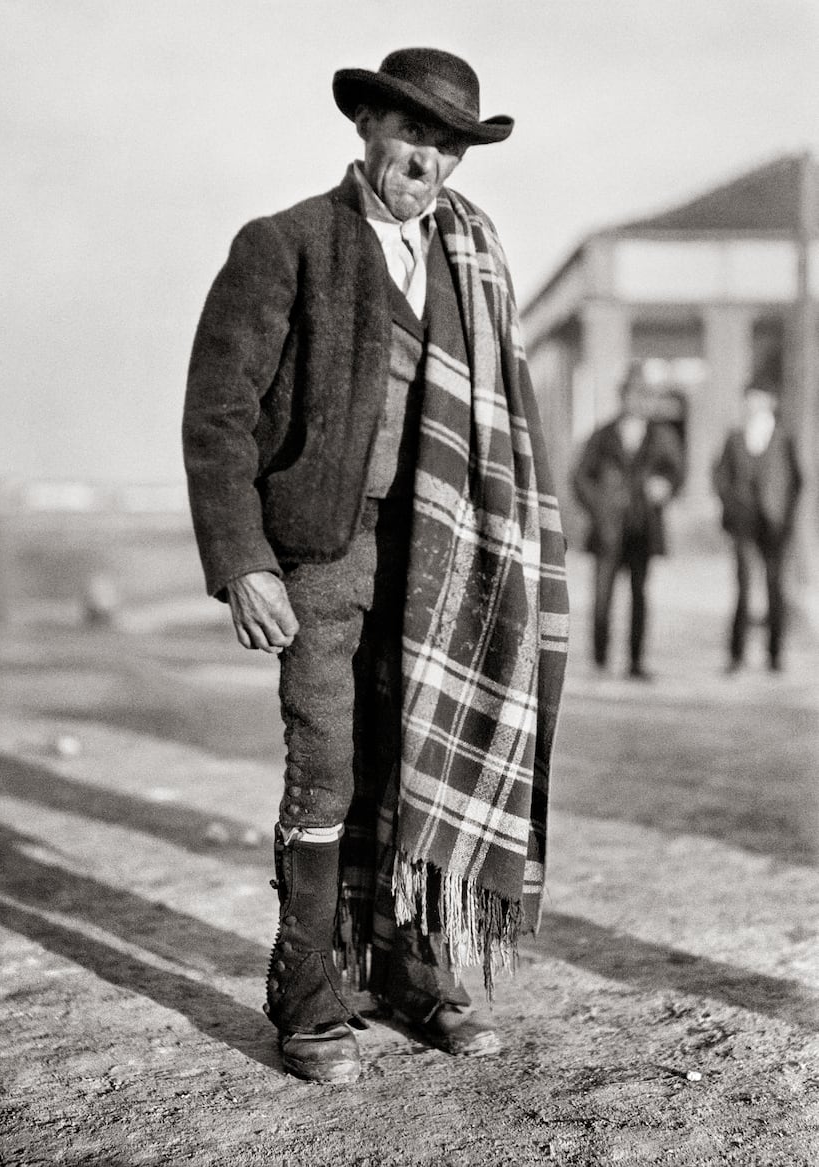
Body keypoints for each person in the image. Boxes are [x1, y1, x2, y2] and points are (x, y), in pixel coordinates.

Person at [182, 48, 569, 1084]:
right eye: (413, 134)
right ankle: (310, 990)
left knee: (427, 763)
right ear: (366, 130)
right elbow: (218, 421)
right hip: (321, 555)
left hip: (448, 560)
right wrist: (244, 563)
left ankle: (414, 972)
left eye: (448, 145)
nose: (428, 160)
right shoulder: (286, 246)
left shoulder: (472, 264)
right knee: (328, 771)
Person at [571, 365, 684, 679]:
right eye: (632, 395)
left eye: (642, 396)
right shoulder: (603, 435)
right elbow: (580, 477)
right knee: (602, 597)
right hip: (608, 531)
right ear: (622, 398)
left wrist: (665, 487)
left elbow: (677, 472)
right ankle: (600, 659)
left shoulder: (661, 436)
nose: (637, 402)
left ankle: (635, 661)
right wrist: (599, 506)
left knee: (639, 596)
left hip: (642, 528)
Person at [713, 378, 802, 672]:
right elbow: (720, 475)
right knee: (742, 587)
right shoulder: (735, 437)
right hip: (743, 522)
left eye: (759, 398)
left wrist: (786, 517)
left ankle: (775, 654)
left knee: (774, 587)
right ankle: (736, 654)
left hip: (774, 524)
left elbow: (796, 481)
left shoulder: (783, 438)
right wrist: (730, 503)